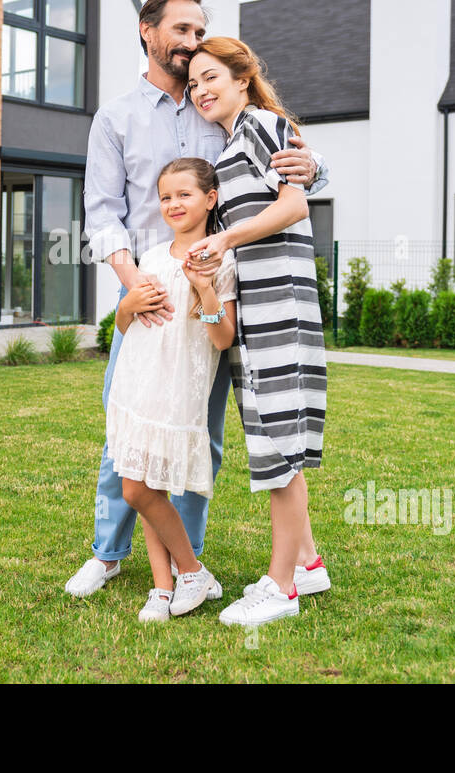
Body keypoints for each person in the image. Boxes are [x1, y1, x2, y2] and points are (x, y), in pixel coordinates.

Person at [66, 0, 330, 599]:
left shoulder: (219, 108)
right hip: (147, 295)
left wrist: (316, 167)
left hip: (214, 293)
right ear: (146, 31)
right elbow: (102, 214)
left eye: (198, 31)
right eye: (180, 31)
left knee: (201, 434)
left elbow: (287, 161)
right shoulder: (116, 118)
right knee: (124, 427)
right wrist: (135, 289)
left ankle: (190, 565)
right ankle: (108, 553)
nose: (189, 43)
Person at [185, 37, 330, 626]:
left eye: (211, 76)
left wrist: (224, 238)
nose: (201, 90)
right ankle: (309, 566)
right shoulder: (222, 156)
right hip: (255, 318)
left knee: (279, 445)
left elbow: (294, 205)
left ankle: (281, 588)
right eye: (193, 84)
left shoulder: (266, 126)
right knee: (270, 439)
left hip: (285, 310)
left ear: (243, 79)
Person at [108, 158, 238, 622]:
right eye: (165, 196)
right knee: (144, 484)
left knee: (141, 491)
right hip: (138, 381)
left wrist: (203, 290)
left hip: (178, 387)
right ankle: (164, 587)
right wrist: (128, 303)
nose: (173, 204)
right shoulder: (153, 255)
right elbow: (124, 325)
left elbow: (221, 338)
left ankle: (191, 570)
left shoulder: (220, 259)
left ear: (210, 198)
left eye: (184, 194)